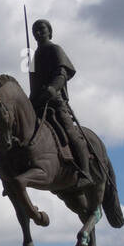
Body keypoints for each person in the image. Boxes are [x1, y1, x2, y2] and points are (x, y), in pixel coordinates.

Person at [29, 18, 89, 175]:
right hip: (37, 103)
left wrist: (52, 89)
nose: (38, 32)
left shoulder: (55, 49)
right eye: (35, 30)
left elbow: (62, 74)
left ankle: (85, 171)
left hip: (55, 101)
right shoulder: (32, 56)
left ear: (50, 31)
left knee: (70, 132)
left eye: (42, 29)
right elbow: (33, 83)